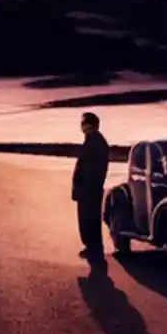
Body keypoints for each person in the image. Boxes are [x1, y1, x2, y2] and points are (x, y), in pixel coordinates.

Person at [72, 111, 109, 265]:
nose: (82, 126)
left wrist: (84, 188)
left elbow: (91, 169)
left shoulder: (94, 142)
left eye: (84, 123)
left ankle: (93, 249)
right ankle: (93, 248)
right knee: (89, 221)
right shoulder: (94, 141)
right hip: (90, 189)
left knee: (89, 220)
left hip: (89, 190)